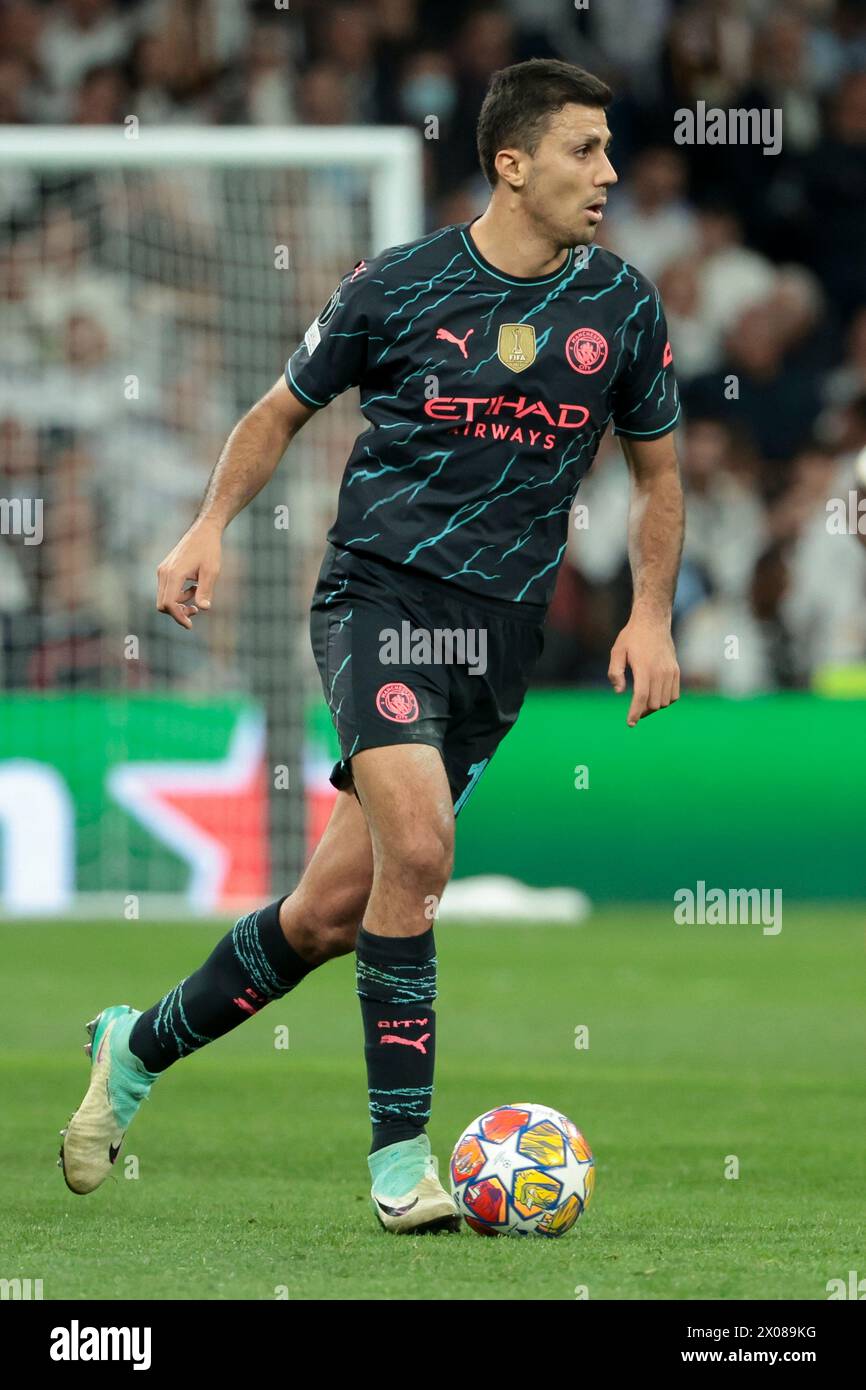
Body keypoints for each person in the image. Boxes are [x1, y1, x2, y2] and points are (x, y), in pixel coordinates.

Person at [60, 58, 684, 1233]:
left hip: (495, 643)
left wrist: (650, 612)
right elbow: (276, 411)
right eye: (583, 151)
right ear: (511, 164)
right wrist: (206, 525)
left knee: (328, 915)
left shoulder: (622, 306)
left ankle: (132, 1047)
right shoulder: (396, 285)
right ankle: (402, 1165)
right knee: (422, 843)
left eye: (606, 152)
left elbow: (658, 473)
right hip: (377, 601)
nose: (606, 174)